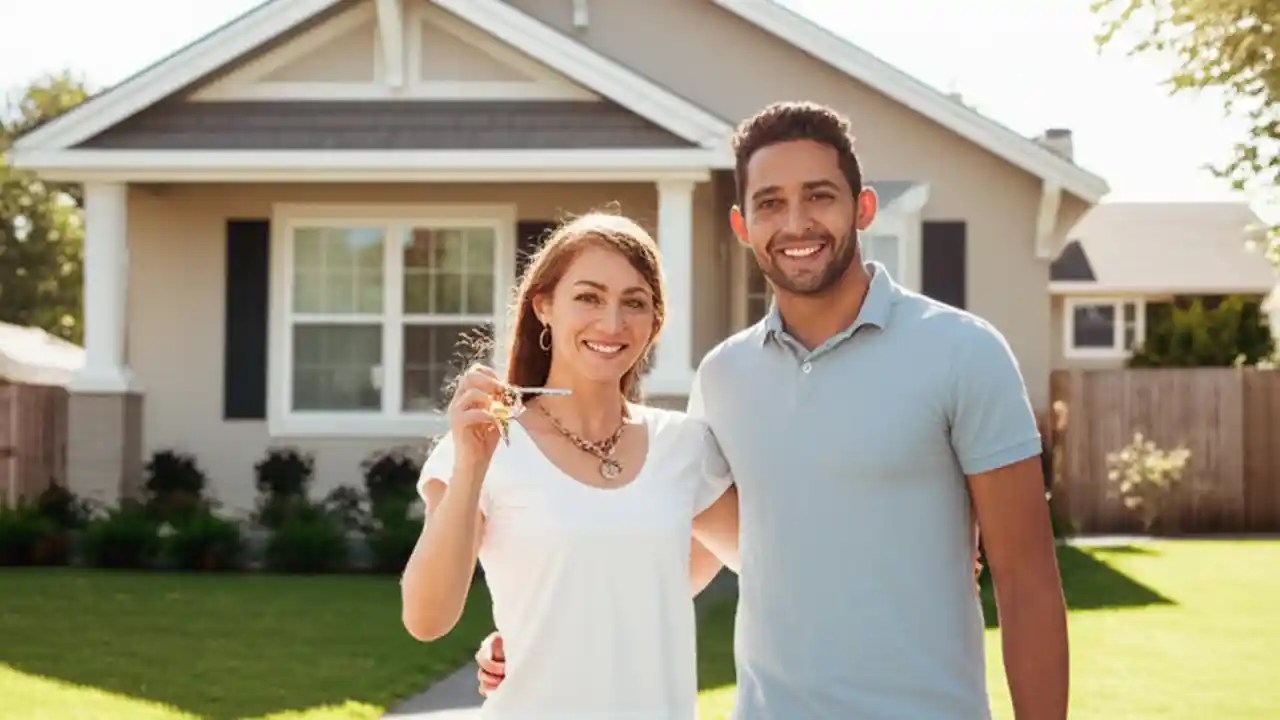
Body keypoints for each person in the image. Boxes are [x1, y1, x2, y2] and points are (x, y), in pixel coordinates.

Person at [474, 101, 1069, 719]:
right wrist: (543, 638)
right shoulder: (725, 375)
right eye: (770, 203)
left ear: (863, 207)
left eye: (819, 196)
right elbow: (697, 556)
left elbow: (1027, 582)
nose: (796, 224)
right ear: (742, 224)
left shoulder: (963, 352)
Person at [399, 212, 742, 719]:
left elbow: (771, 568)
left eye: (635, 303)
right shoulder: (486, 445)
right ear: (544, 306)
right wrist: (472, 465)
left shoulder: (686, 448)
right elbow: (426, 619)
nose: (612, 323)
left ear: (654, 322)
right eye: (589, 297)